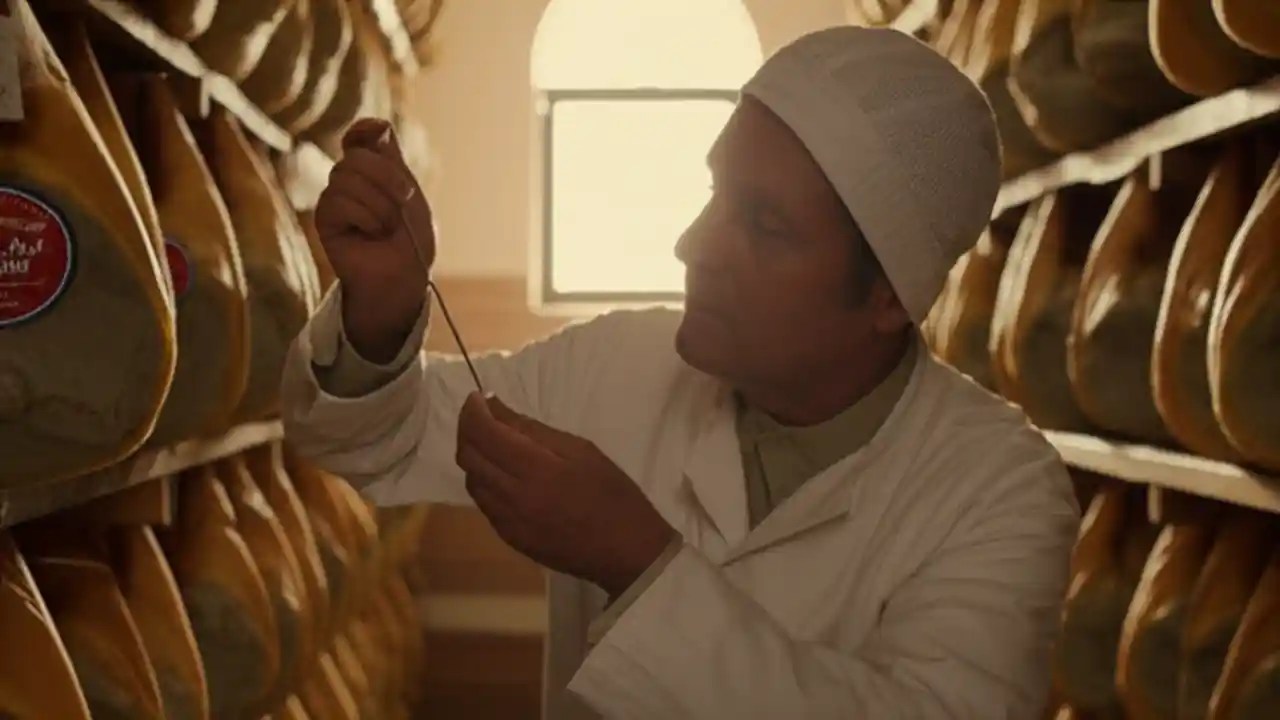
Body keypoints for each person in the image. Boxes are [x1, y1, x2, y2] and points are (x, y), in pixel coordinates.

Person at [282, 26, 1081, 719]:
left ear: (885, 298)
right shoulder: (615, 368)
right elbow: (382, 439)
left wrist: (636, 562)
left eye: (764, 226)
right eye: (715, 195)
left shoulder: (999, 490)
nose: (693, 245)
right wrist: (379, 319)